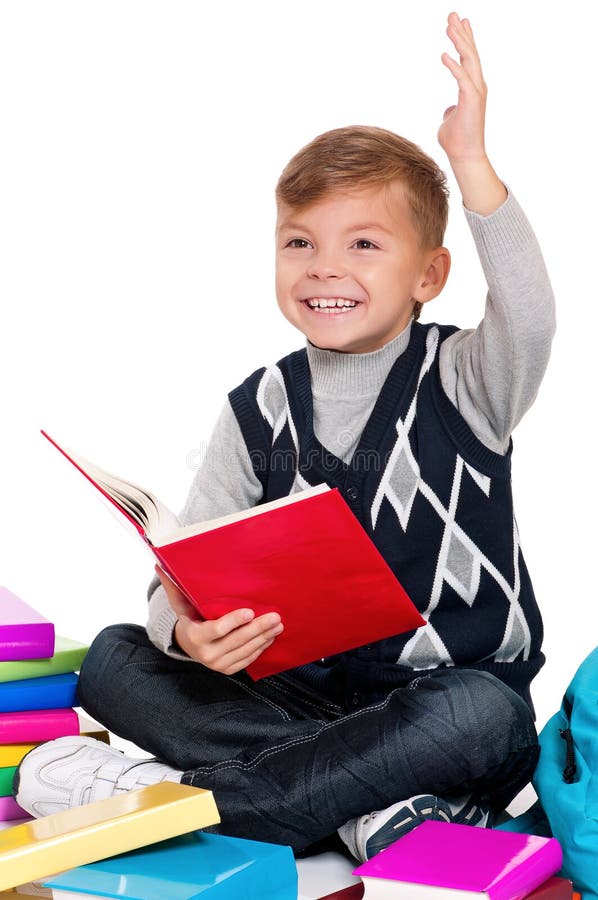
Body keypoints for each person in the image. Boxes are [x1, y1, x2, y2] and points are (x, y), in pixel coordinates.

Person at [14, 12, 555, 863]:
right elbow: (181, 567)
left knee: (485, 715)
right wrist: (186, 635)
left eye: (364, 244)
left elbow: (528, 314)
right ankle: (360, 809)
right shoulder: (256, 405)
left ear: (429, 274)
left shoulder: (466, 378)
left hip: (438, 706)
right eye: (298, 242)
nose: (324, 267)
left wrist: (473, 165)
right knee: (117, 657)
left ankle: (185, 801)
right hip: (293, 704)